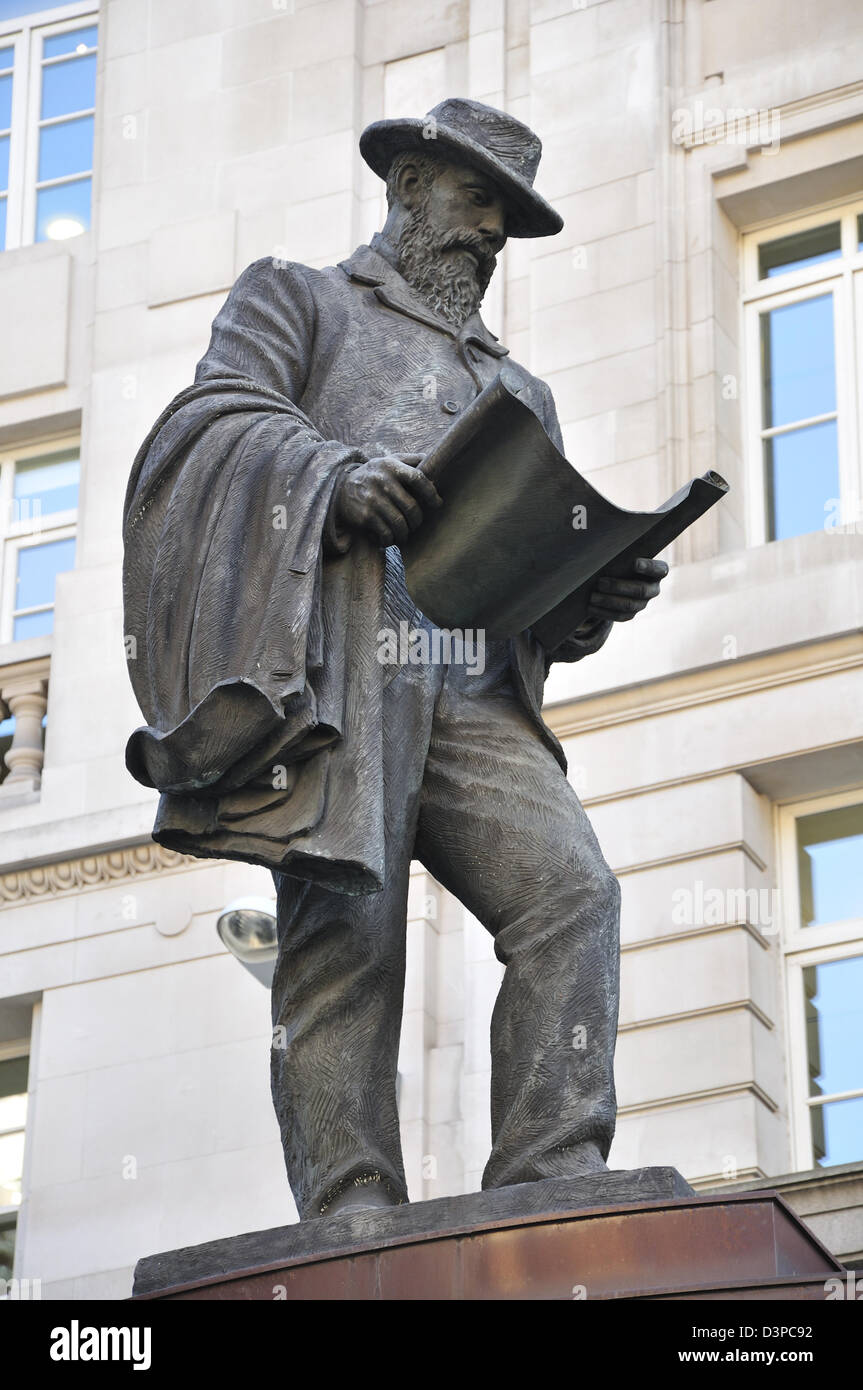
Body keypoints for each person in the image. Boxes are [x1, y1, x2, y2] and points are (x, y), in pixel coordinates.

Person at [122, 99, 667, 1221]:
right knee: (344, 945)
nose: (490, 232)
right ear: (411, 185)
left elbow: (532, 596)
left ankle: (552, 1166)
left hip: (473, 687)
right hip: (337, 677)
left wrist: (591, 593)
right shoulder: (300, 297)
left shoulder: (521, 394)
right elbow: (208, 427)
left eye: (507, 217)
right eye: (477, 201)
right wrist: (330, 476)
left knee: (572, 894)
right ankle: (350, 1203)